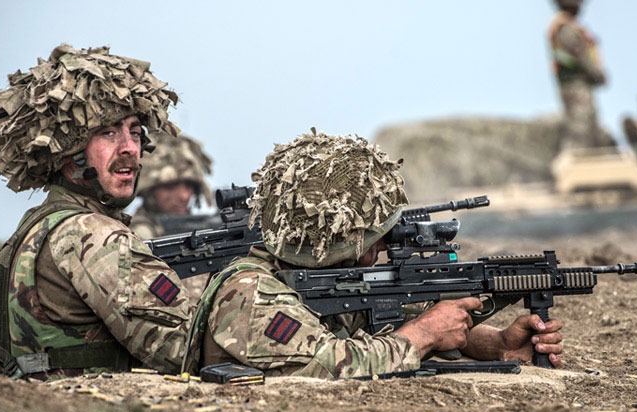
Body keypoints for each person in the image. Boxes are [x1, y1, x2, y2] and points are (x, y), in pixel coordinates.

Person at [190, 131, 564, 379]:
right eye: (373, 235)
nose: (385, 244)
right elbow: (327, 363)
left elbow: (395, 325)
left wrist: (497, 345)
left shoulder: (331, 280)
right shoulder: (250, 293)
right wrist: (423, 335)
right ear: (336, 239)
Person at [0, 44, 196, 378]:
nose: (130, 148)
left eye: (134, 131)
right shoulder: (91, 233)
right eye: (108, 133)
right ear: (69, 151)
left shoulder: (42, 222)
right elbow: (180, 350)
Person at [546, 0, 614, 150]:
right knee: (580, 124)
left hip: (579, 83)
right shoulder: (565, 28)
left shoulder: (569, 26)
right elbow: (578, 55)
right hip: (574, 83)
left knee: (590, 123)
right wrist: (595, 73)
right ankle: (577, 160)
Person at [130, 130, 215, 239]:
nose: (184, 196)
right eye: (170, 187)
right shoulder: (138, 236)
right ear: (148, 190)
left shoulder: (199, 226)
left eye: (189, 186)